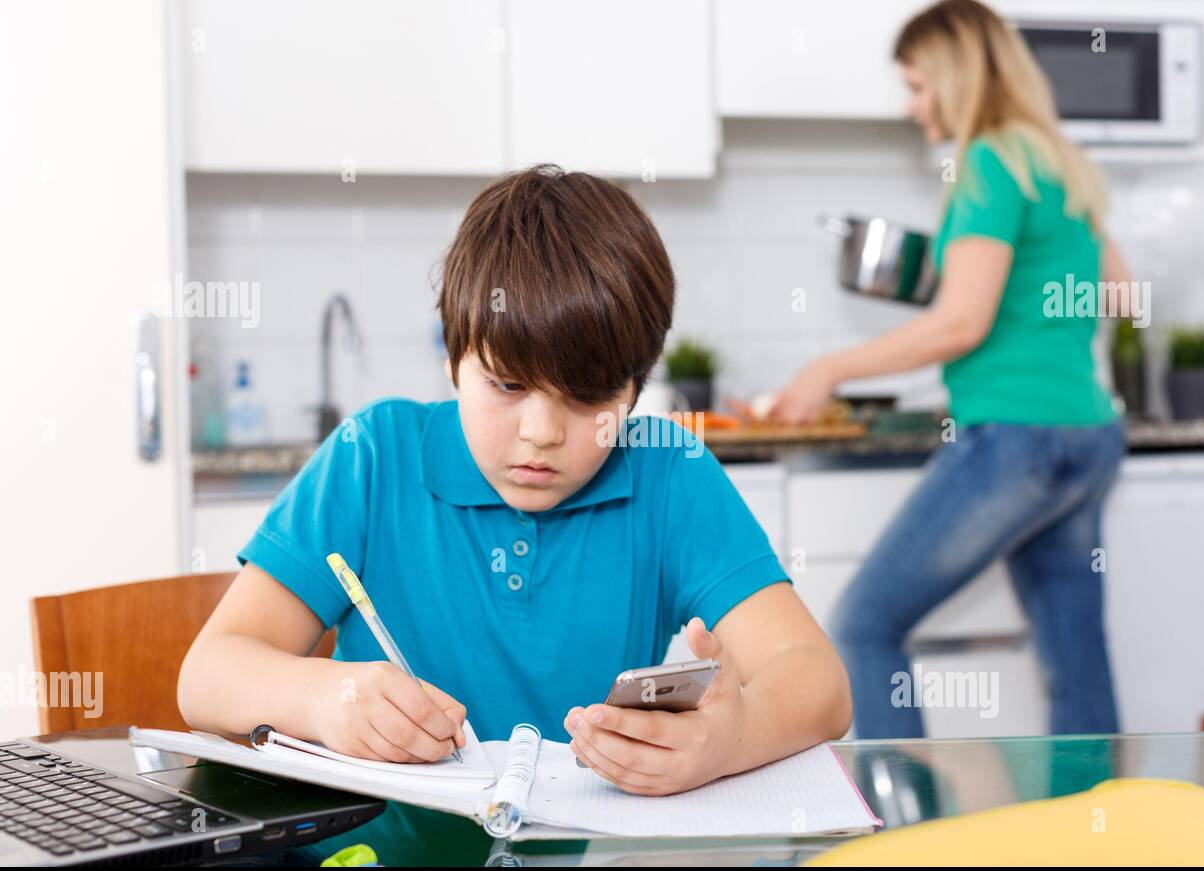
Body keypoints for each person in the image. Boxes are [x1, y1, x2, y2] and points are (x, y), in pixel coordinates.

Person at [179, 164, 851, 796]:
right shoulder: (373, 456)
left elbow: (820, 683)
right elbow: (206, 677)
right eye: (506, 383)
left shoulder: (667, 471)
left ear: (636, 393)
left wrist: (731, 739)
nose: (541, 432)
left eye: (587, 397)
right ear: (453, 357)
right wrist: (323, 697)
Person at [767, 0, 1133, 737]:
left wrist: (828, 369)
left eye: (918, 85)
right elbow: (1118, 292)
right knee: (1074, 655)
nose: (911, 106)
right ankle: (1099, 834)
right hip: (1088, 435)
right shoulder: (1061, 162)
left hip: (1016, 443)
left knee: (866, 627)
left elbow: (962, 322)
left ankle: (907, 843)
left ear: (957, 77)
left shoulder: (989, 161)